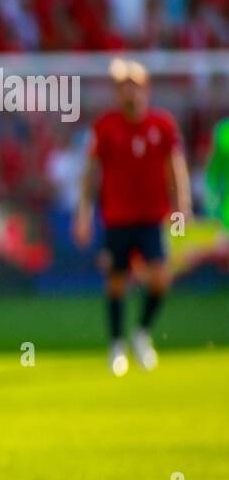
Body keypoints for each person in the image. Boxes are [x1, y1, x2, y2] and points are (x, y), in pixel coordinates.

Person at [73, 59, 192, 375]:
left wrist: (182, 206)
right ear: (118, 92)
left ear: (146, 89)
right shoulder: (105, 127)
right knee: (116, 282)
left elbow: (174, 169)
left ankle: (141, 334)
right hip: (117, 218)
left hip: (152, 217)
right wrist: (84, 212)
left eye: (136, 87)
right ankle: (116, 345)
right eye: (125, 87)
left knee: (160, 277)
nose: (131, 93)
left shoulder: (163, 126)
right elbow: (91, 174)